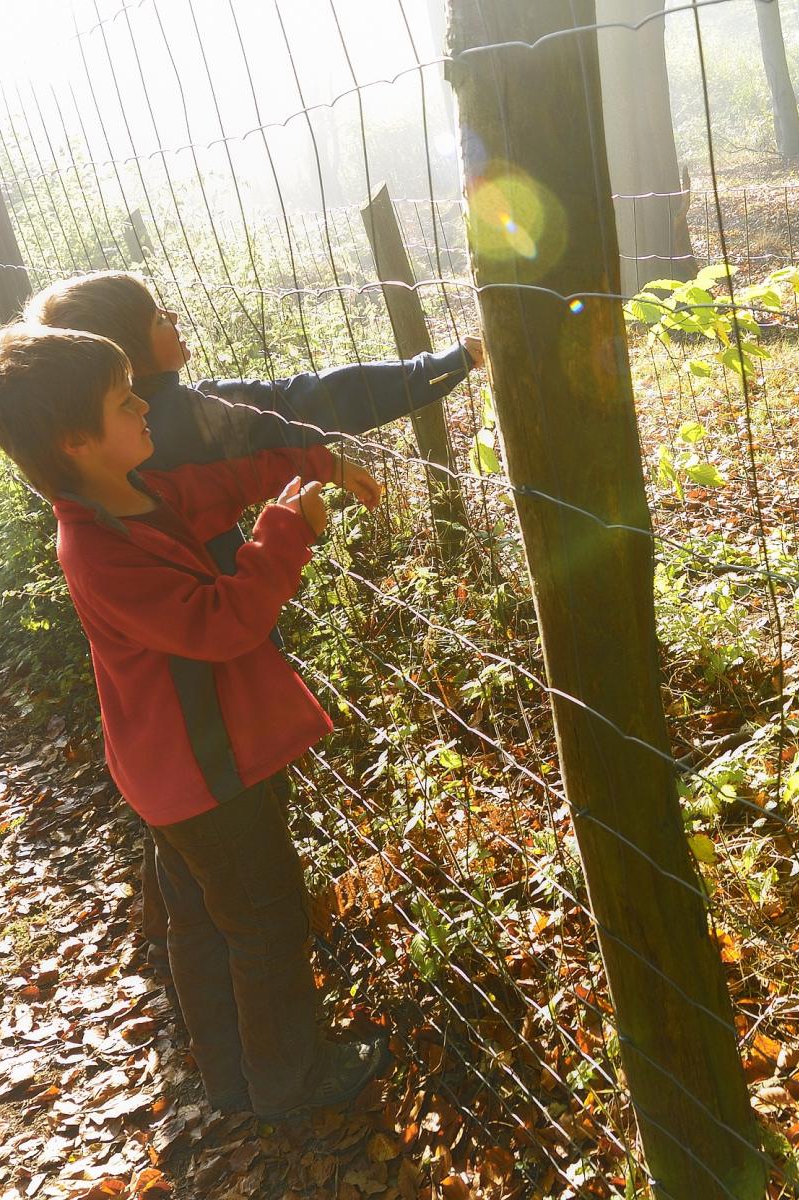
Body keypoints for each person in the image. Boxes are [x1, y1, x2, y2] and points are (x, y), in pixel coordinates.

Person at [0, 323, 387, 1118]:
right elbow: (223, 623)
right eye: (126, 402)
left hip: (171, 770)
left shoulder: (128, 499)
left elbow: (217, 487)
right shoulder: (98, 550)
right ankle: (290, 1085)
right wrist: (287, 533)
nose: (145, 407)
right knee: (263, 922)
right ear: (77, 440)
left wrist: (313, 463)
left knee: (203, 923)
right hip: (207, 773)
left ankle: (230, 1074)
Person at [24, 271, 482, 960]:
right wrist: (440, 368)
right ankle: (279, 1057)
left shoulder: (109, 473)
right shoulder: (175, 426)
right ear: (124, 356)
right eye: (155, 316)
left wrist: (316, 457)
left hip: (160, 711)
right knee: (247, 879)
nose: (171, 316)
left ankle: (195, 973)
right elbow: (306, 401)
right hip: (211, 684)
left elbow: (276, 417)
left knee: (192, 852)